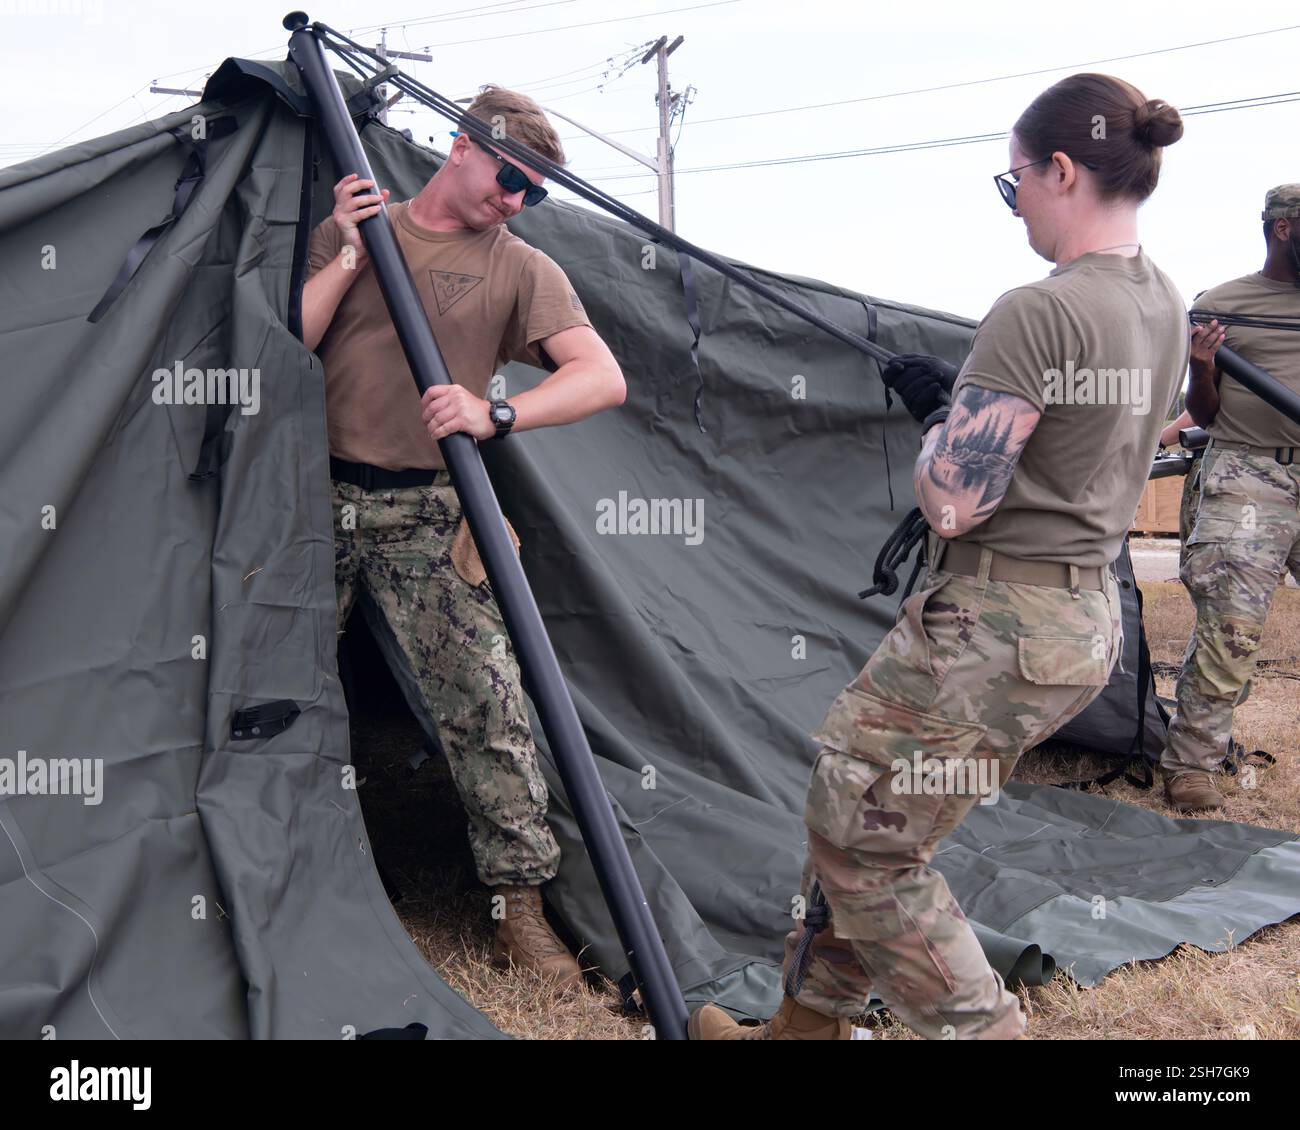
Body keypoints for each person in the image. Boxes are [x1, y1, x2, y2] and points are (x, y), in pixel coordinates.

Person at [689, 73, 1186, 1041]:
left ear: (1058, 167)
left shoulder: (1037, 309)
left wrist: (936, 420)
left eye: (1013, 187)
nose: (1017, 211)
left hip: (990, 629)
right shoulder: (1160, 298)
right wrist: (962, 407)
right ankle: (806, 1024)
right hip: (1070, 624)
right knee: (862, 813)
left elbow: (954, 500)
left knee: (870, 847)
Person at [302, 86, 626, 986]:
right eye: (511, 178)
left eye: (535, 194)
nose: (516, 201)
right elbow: (291, 340)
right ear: (462, 145)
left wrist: (499, 414)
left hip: (429, 510)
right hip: (310, 503)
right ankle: (313, 873)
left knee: (488, 707)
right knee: (287, 701)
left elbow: (603, 379)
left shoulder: (523, 268)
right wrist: (349, 256)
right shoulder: (359, 221)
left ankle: (517, 909)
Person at [1159, 184, 1300, 812]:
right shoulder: (1223, 305)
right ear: (1283, 229)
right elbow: (1202, 412)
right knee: (1231, 627)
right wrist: (1204, 366)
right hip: (1249, 472)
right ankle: (1191, 764)